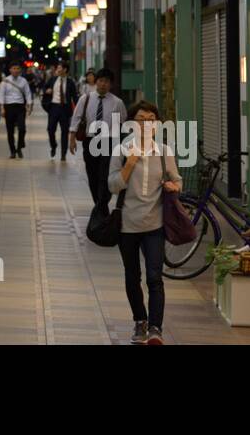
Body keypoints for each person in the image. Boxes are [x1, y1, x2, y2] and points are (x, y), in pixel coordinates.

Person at [109, 101, 181, 345]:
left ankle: (155, 329)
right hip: (127, 225)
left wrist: (174, 186)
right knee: (132, 276)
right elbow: (112, 185)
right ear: (131, 123)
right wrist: (129, 164)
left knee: (154, 277)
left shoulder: (163, 151)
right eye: (140, 119)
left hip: (155, 225)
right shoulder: (121, 149)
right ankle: (139, 321)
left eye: (151, 119)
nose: (146, 124)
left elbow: (177, 180)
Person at [70, 67, 127, 212]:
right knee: (92, 174)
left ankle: (101, 205)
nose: (103, 84)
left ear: (111, 84)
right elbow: (76, 118)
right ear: (96, 82)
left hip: (108, 142)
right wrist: (72, 139)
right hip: (90, 141)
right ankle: (99, 204)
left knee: (105, 175)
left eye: (107, 82)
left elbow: (124, 123)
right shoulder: (86, 99)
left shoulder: (117, 102)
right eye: (101, 81)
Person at [0, 62, 33, 158]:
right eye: (13, 68)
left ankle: (19, 147)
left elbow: (28, 93)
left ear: (20, 70)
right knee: (10, 131)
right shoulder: (5, 81)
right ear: (10, 70)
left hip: (20, 107)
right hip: (8, 107)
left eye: (17, 68)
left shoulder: (23, 81)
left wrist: (29, 105)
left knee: (22, 128)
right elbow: (1, 95)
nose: (16, 70)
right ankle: (13, 151)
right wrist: (2, 108)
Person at [44, 63, 78, 161]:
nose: (58, 69)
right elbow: (45, 88)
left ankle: (63, 153)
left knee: (64, 131)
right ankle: (53, 146)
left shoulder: (70, 82)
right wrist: (47, 90)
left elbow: (74, 97)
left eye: (60, 68)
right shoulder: (53, 80)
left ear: (65, 70)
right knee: (50, 129)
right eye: (57, 67)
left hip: (65, 109)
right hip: (54, 107)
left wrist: (78, 110)